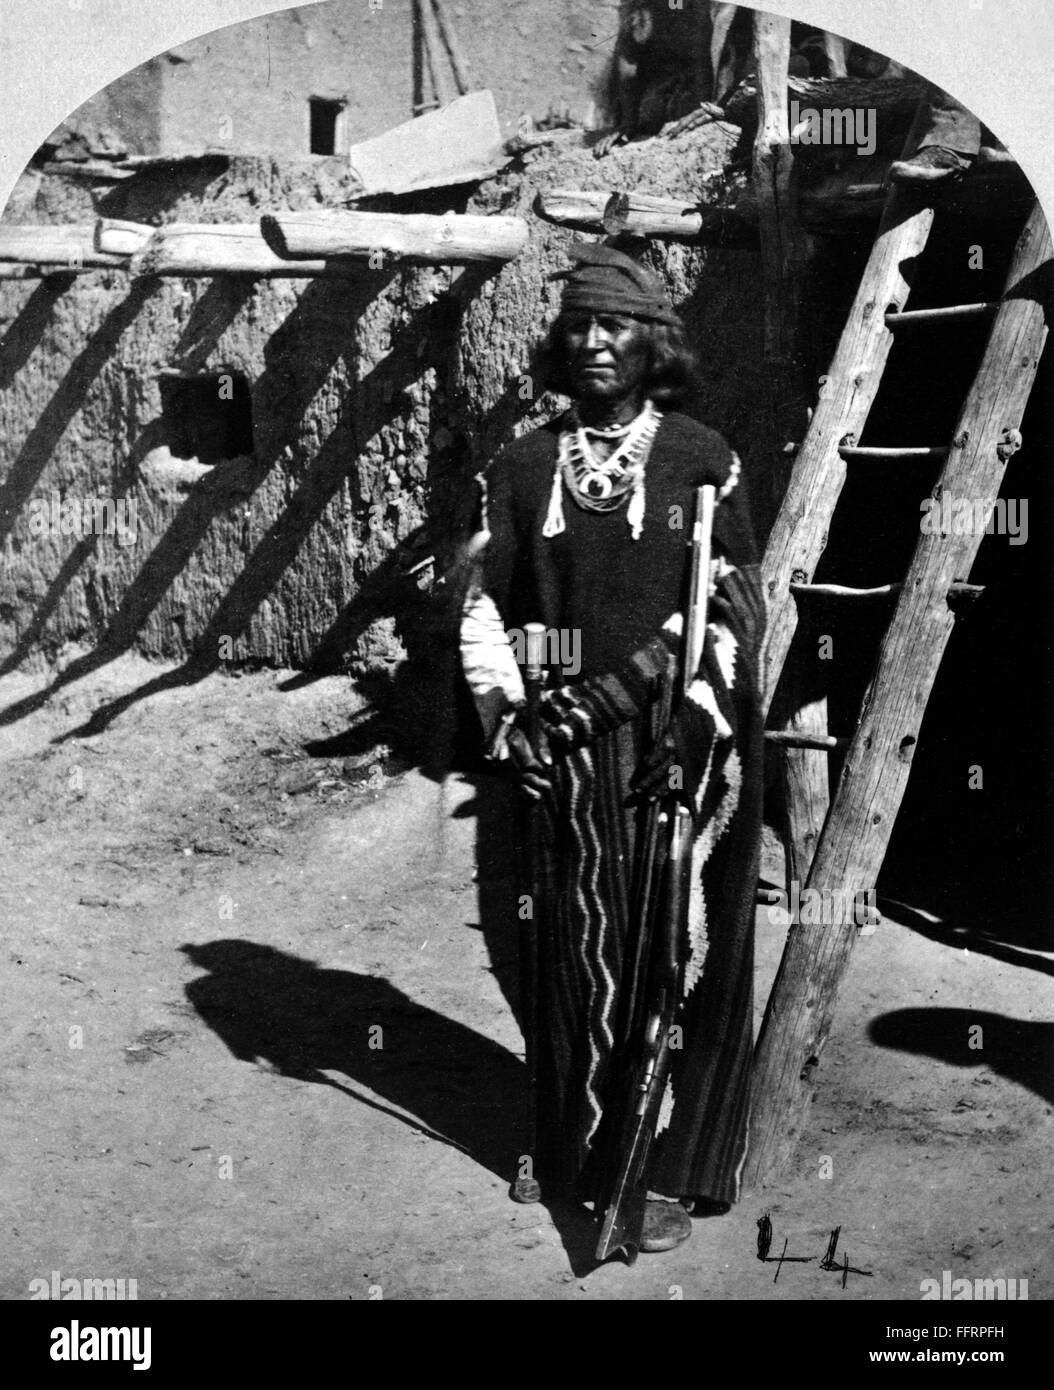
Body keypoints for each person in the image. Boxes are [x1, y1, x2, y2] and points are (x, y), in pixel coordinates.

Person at [460, 242, 765, 1254]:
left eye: (617, 325)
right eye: (580, 324)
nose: (595, 342)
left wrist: (690, 716)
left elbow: (723, 618)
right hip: (557, 742)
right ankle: (565, 1142)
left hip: (669, 739)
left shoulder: (699, 460)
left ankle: (660, 1161)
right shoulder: (522, 466)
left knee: (664, 952)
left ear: (654, 343)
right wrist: (522, 718)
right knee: (559, 949)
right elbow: (488, 610)